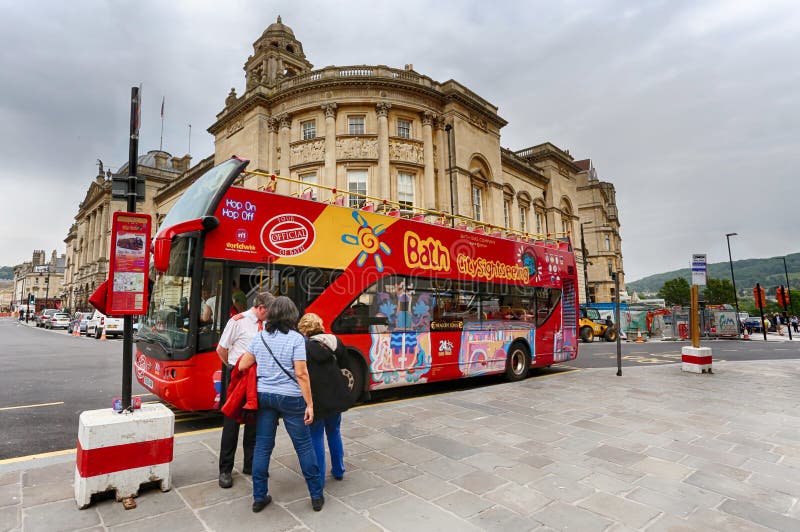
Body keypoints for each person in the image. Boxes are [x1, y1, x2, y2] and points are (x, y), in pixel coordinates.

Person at [237, 296, 324, 513]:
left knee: (263, 446)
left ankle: (259, 497)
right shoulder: (296, 339)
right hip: (292, 398)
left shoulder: (260, 338)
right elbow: (302, 374)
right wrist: (310, 404)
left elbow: (242, 365)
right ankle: (315, 495)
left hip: (264, 396)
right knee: (303, 445)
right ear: (292, 316)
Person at [216, 291, 273, 489]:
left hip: (258, 377)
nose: (270, 316)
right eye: (269, 312)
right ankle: (225, 470)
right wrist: (233, 368)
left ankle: (250, 463)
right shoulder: (237, 321)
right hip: (238, 376)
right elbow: (221, 349)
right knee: (231, 423)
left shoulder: (267, 324)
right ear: (261, 308)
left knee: (253, 423)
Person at [297, 313, 353, 488]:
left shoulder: (303, 348)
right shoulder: (336, 341)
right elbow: (346, 368)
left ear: (304, 330)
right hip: (335, 396)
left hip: (316, 400)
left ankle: (319, 479)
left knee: (316, 437)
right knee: (334, 432)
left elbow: (302, 375)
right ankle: (338, 470)